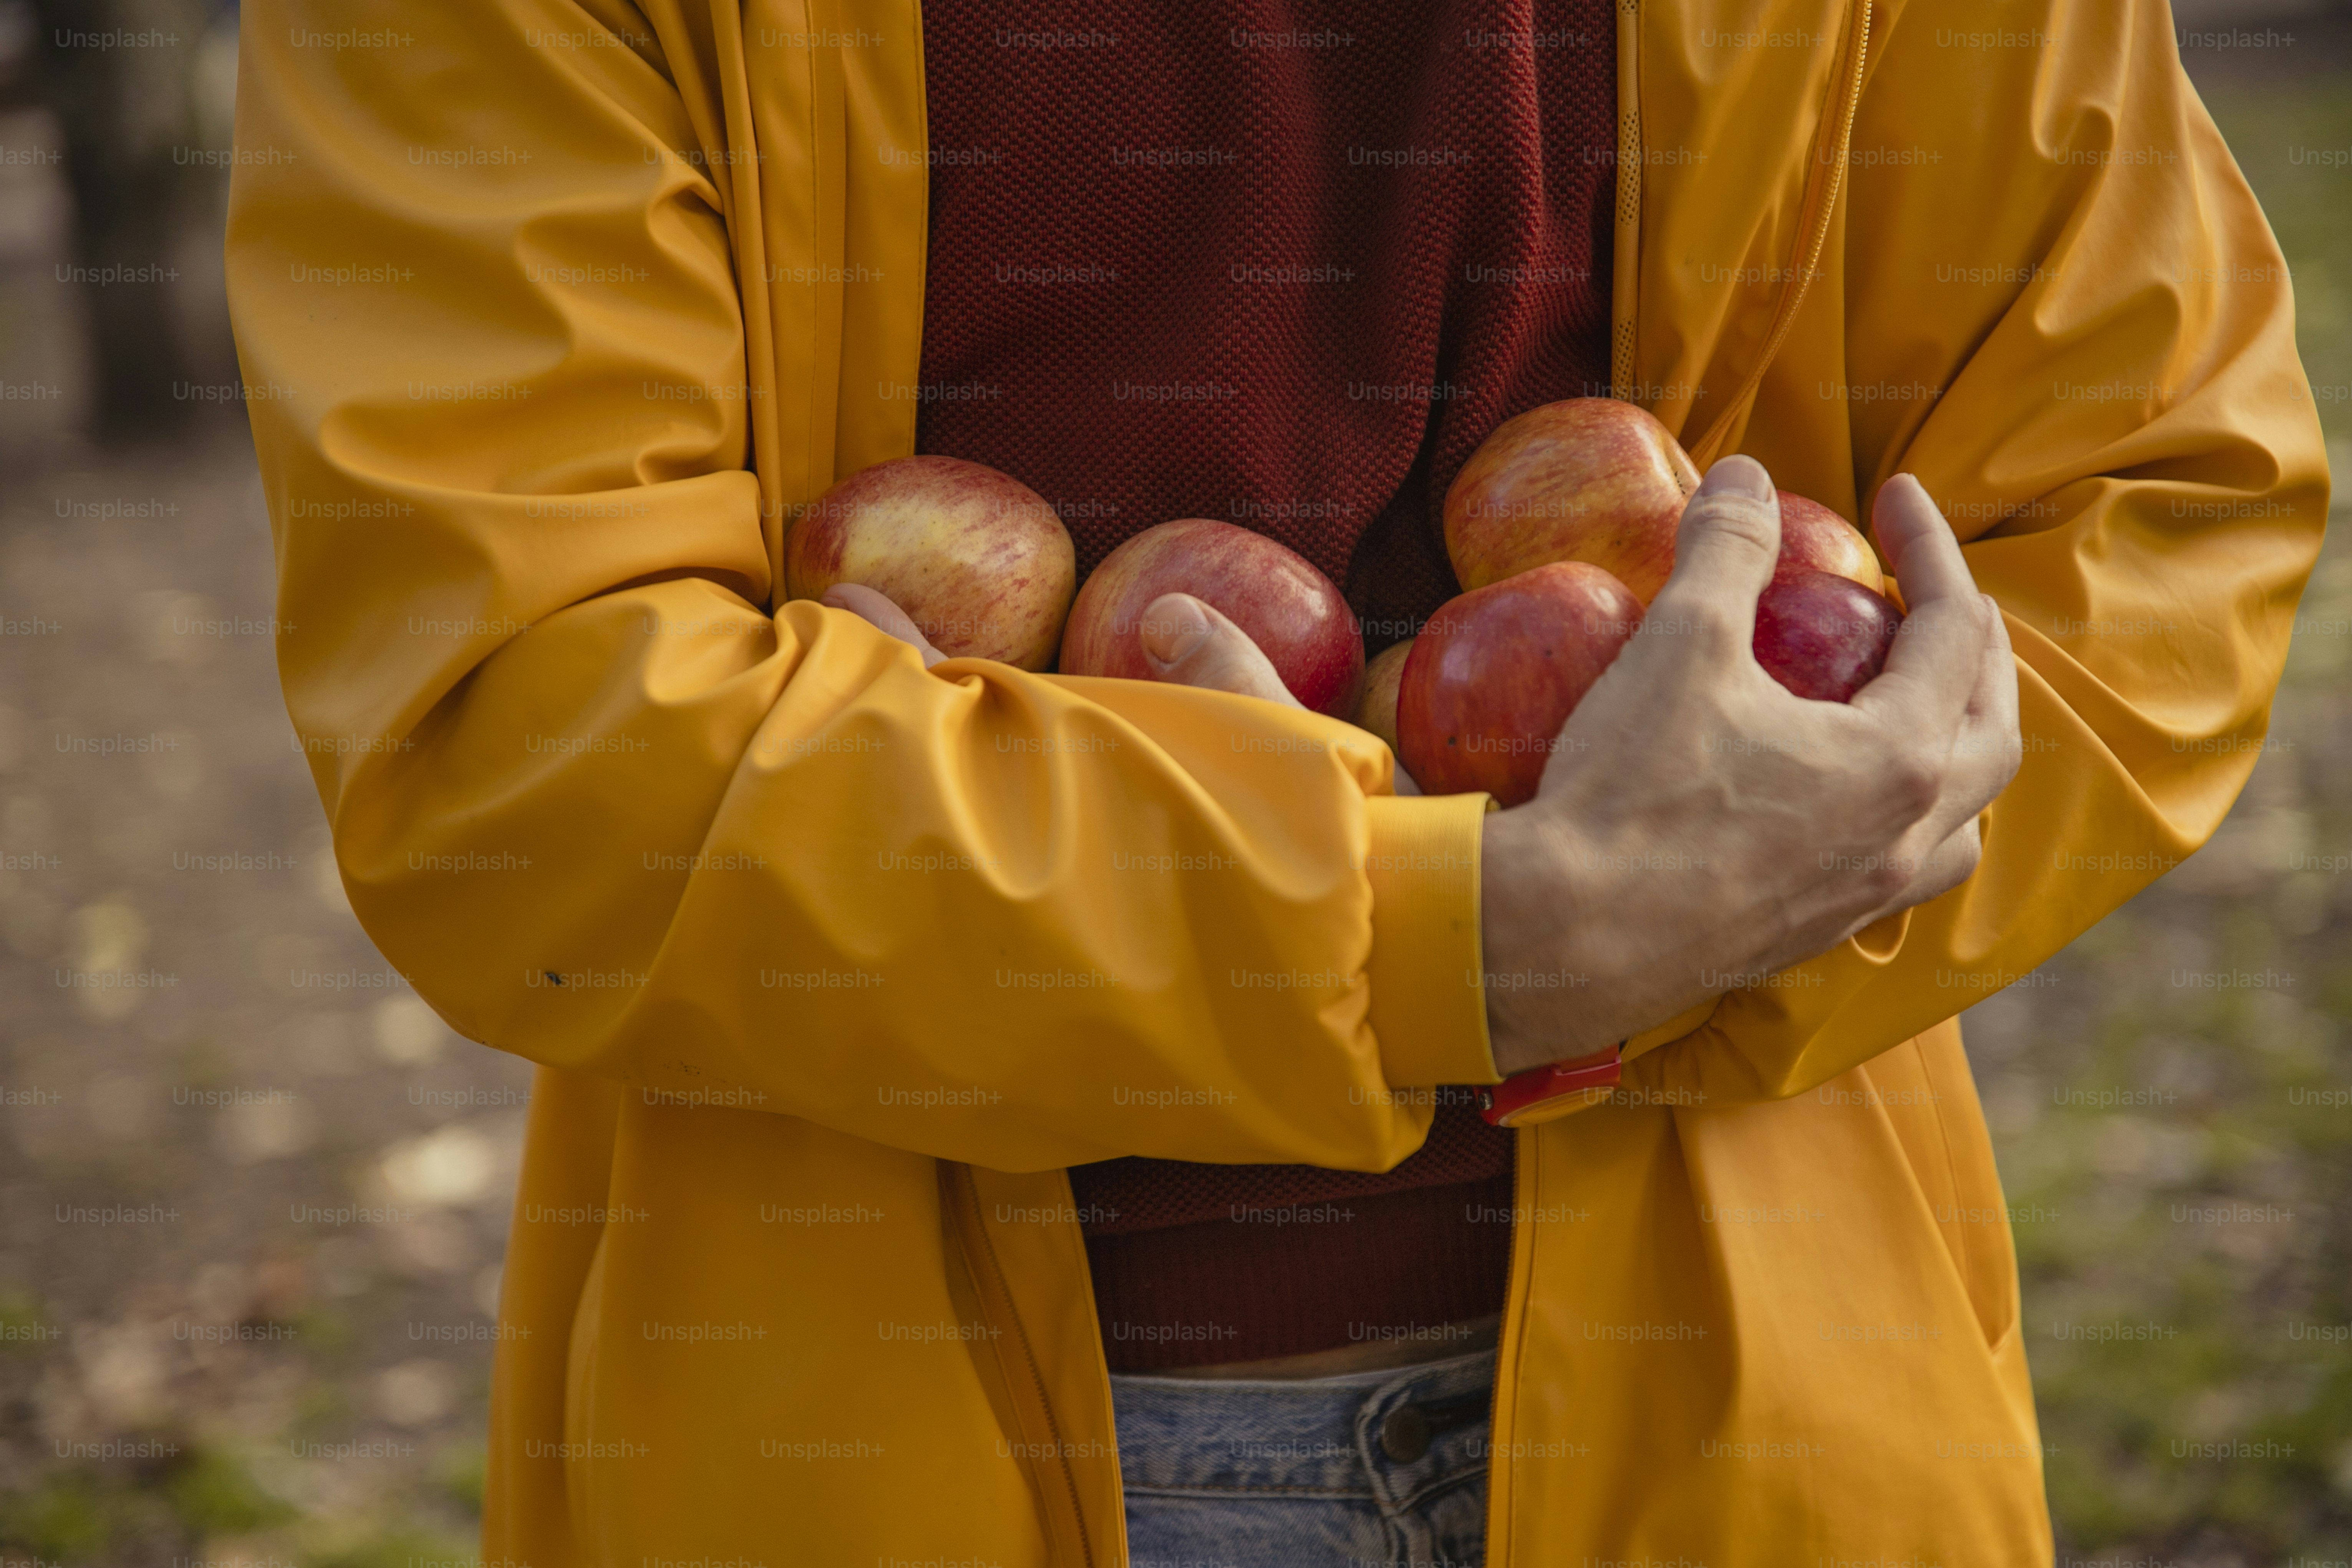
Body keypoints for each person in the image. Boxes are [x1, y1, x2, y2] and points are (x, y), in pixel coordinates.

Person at [224, 0, 2324, 1564]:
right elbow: (526, 742)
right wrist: (1456, 936)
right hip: (876, 1461)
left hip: (1762, 1435)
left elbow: (2149, 500)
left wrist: (1794, 834)